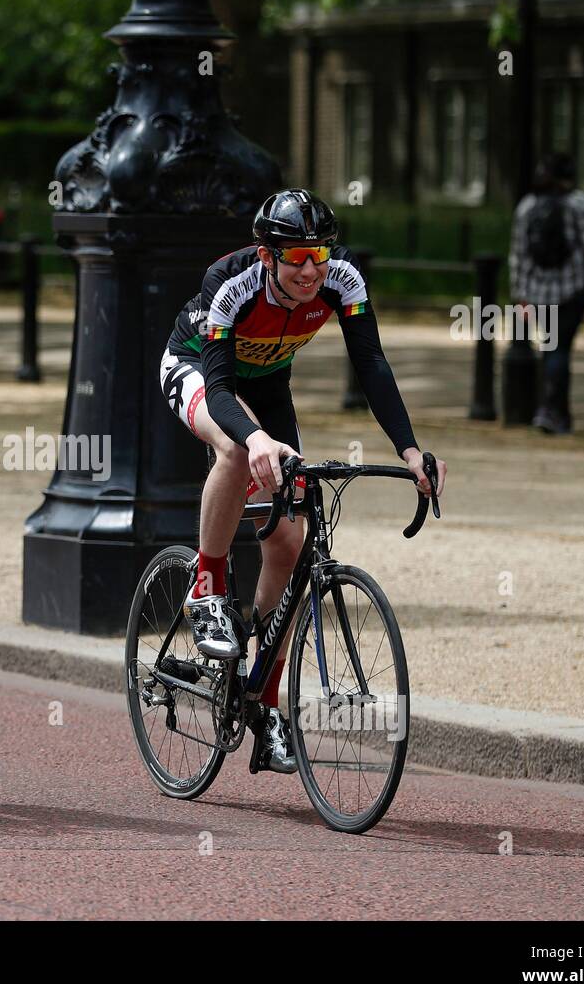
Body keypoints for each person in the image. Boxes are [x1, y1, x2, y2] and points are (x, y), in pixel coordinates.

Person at [160, 188, 445, 771]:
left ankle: (263, 703)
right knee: (237, 452)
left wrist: (411, 450)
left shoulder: (343, 281)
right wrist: (256, 437)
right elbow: (218, 390)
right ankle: (206, 586)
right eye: (297, 258)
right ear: (268, 257)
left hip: (267, 382)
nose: (312, 269)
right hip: (196, 367)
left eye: (319, 254)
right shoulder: (230, 282)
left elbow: (371, 364)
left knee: (290, 545)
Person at [509, 152, 584, 434]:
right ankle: (551, 411)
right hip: (572, 290)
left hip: (537, 293)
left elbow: (518, 254)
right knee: (560, 351)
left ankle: (555, 412)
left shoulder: (527, 207)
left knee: (551, 349)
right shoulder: (578, 204)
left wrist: (519, 294)